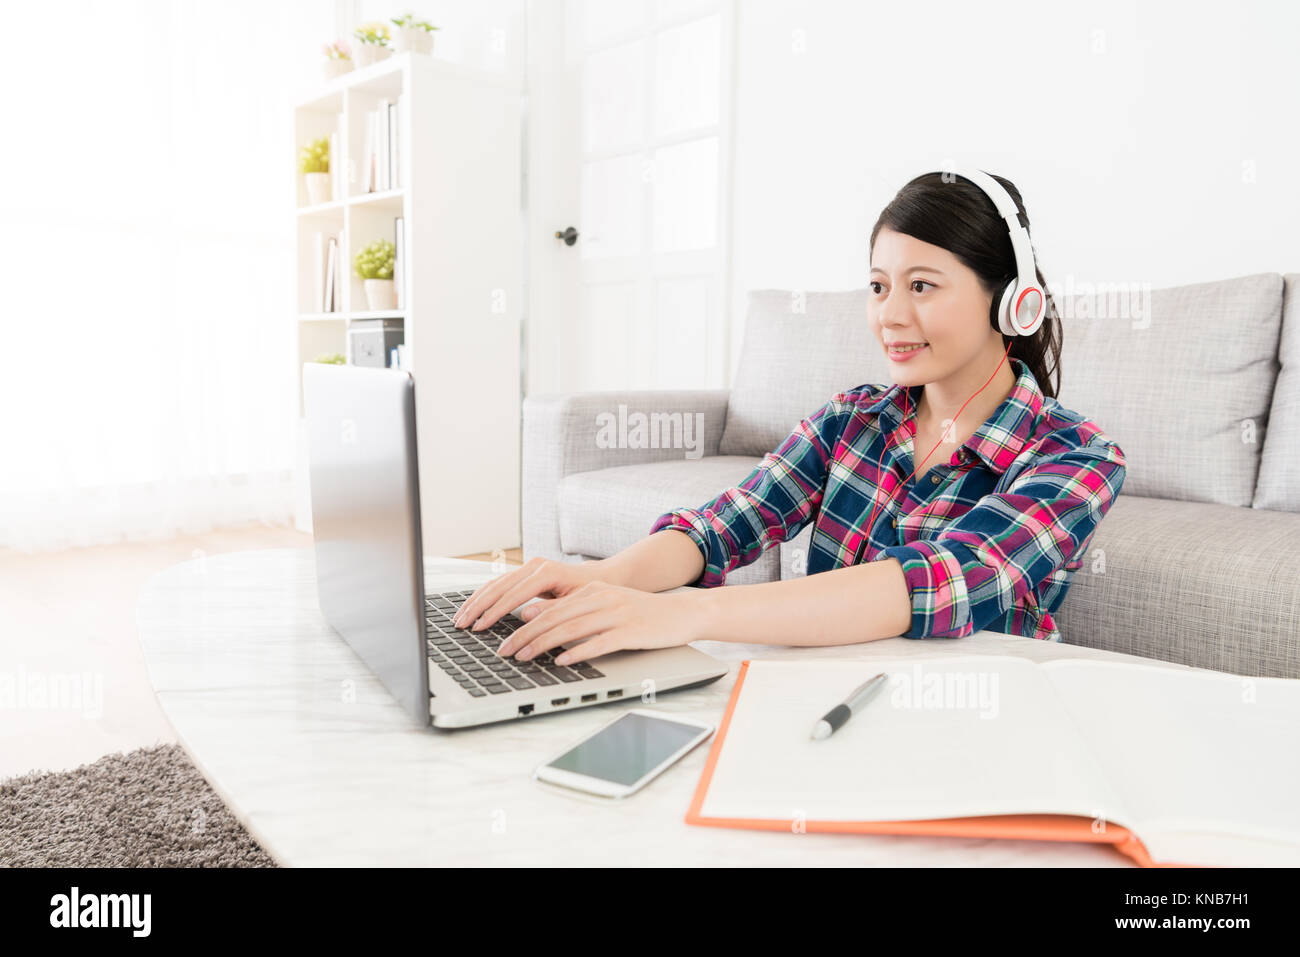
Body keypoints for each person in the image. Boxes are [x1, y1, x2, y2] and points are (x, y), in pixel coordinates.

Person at [453, 170, 1127, 666]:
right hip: (826, 692)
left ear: (1014, 301)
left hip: (972, 718)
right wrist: (594, 581)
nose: (889, 315)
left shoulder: (1077, 458)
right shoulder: (851, 420)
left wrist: (687, 611)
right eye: (878, 285)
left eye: (921, 285)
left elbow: (937, 579)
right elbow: (722, 526)